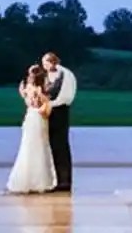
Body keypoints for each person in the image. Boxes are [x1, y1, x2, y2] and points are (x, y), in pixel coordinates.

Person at [6, 65, 57, 194]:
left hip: (30, 117)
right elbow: (46, 102)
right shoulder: (40, 90)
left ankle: (25, 179)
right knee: (39, 147)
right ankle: (40, 180)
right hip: (38, 118)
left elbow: (24, 96)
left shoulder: (26, 89)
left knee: (27, 147)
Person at [42, 52, 77, 193]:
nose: (44, 66)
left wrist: (49, 103)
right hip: (50, 111)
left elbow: (65, 96)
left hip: (60, 111)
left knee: (61, 145)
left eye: (46, 63)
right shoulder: (48, 75)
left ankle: (64, 181)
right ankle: (57, 179)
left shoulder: (65, 74)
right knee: (53, 147)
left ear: (52, 62)